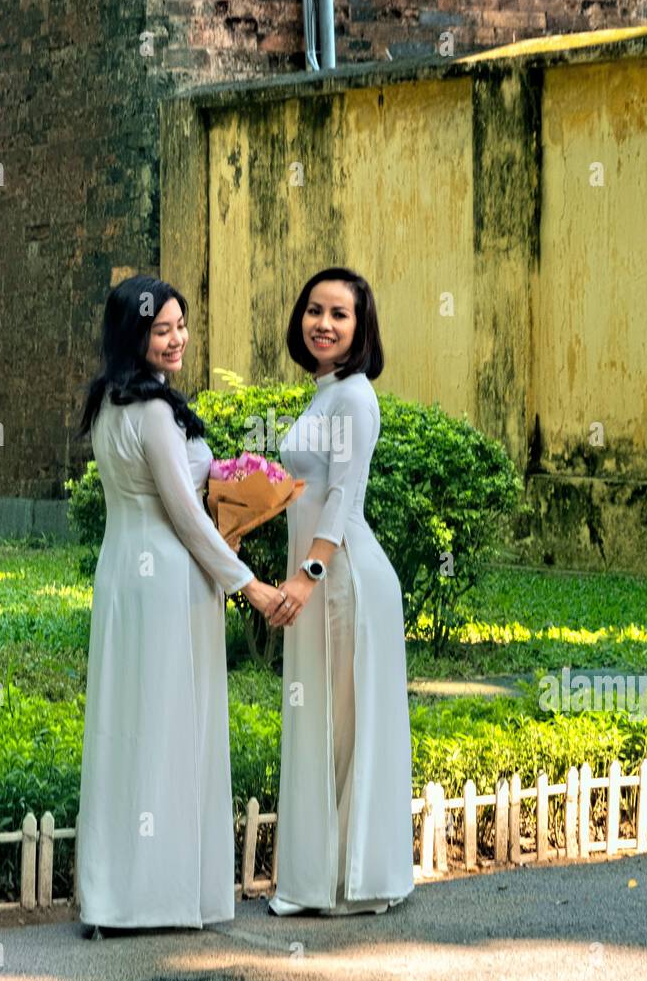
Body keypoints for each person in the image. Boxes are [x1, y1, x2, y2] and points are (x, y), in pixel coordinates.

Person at [75, 275, 280, 933]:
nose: (177, 339)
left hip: (122, 576)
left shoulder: (110, 404)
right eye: (161, 329)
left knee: (125, 727)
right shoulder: (156, 412)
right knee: (170, 725)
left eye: (181, 326)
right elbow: (188, 519)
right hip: (168, 578)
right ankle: (164, 895)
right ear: (134, 336)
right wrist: (248, 583)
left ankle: (118, 893)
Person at [265, 268, 415, 917]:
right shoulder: (324, 394)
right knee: (321, 719)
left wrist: (308, 574)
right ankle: (319, 875)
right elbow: (306, 488)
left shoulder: (355, 397)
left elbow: (344, 497)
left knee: (342, 723)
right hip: (324, 577)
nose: (323, 323)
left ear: (361, 329)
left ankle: (350, 882)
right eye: (314, 310)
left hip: (345, 577)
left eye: (340, 315)